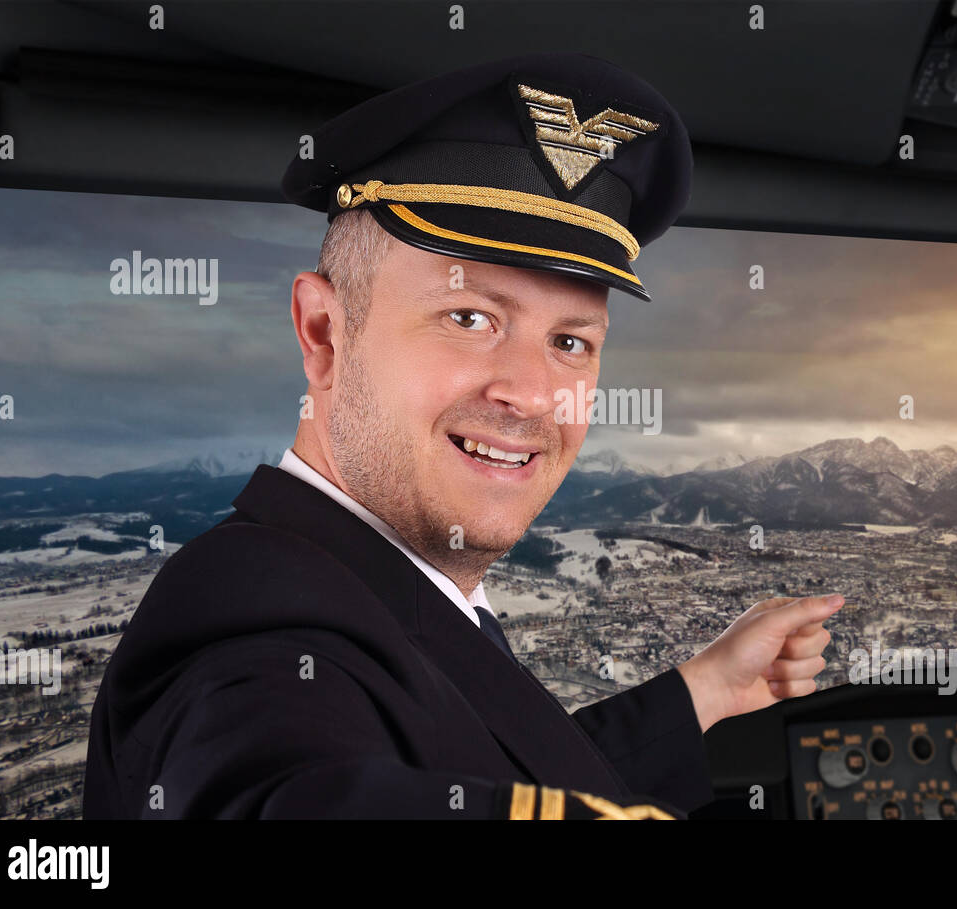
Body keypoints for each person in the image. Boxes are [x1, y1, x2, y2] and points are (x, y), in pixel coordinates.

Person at [84, 51, 845, 819]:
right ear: (323, 333)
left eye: (571, 341)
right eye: (470, 318)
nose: (532, 394)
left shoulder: (386, 585)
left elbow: (476, 762)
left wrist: (704, 688)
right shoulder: (250, 625)